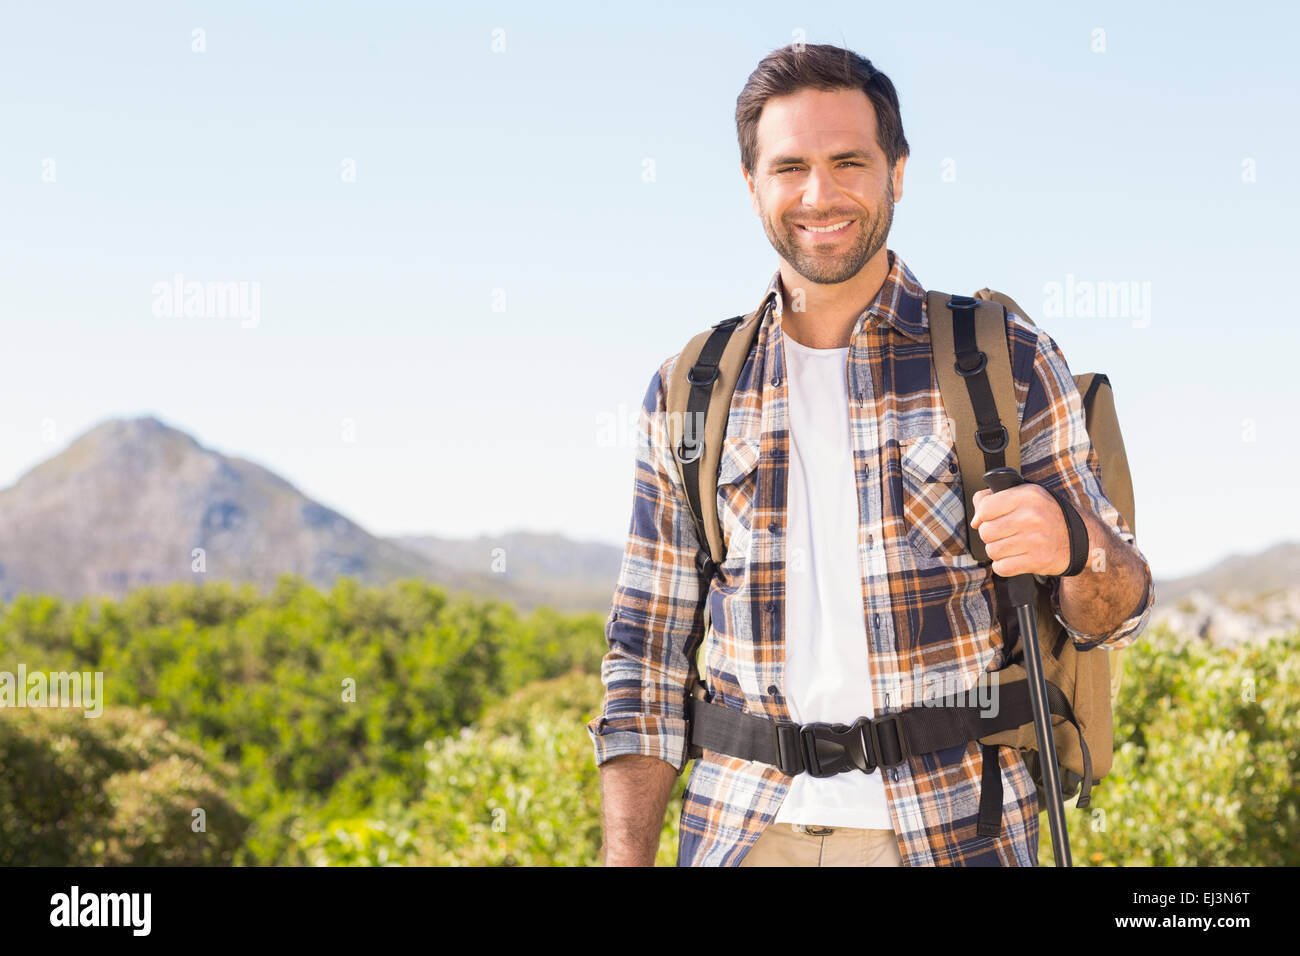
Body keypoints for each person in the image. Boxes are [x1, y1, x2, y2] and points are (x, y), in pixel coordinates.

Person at [585, 43, 1155, 867]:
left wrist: (1075, 545)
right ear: (752, 186)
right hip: (743, 835)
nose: (821, 194)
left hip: (959, 833)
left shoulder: (1003, 358)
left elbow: (1116, 610)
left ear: (897, 171)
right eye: (790, 167)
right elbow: (645, 651)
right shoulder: (691, 389)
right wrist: (625, 857)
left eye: (849, 160)